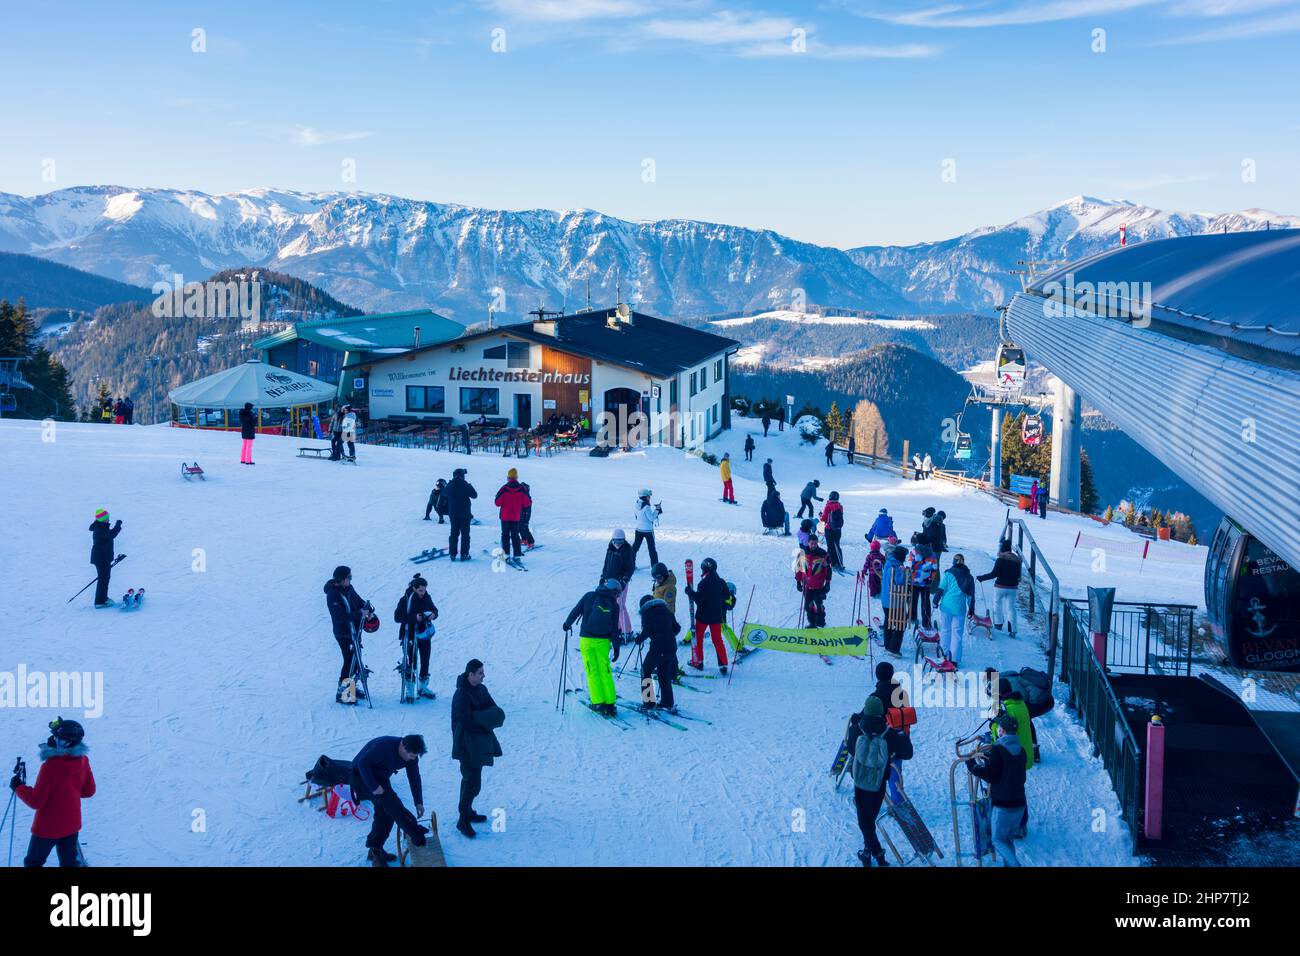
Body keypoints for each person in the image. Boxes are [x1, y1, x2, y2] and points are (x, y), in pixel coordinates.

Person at [12, 717, 95, 867]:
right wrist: (70, 791)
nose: (56, 741)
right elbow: (88, 791)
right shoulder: (83, 760)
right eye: (56, 737)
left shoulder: (49, 768)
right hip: (71, 825)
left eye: (61, 740)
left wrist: (18, 787)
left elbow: (36, 801)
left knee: (33, 862)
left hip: (47, 829)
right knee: (69, 863)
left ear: (70, 743)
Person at [847, 696, 913, 867]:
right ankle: (874, 854)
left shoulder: (856, 729)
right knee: (869, 820)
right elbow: (907, 753)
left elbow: (849, 748)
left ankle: (876, 855)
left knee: (865, 822)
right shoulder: (889, 734)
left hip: (860, 782)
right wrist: (902, 735)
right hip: (879, 784)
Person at [350, 734, 429, 865]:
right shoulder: (384, 747)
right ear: (403, 747)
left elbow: (414, 777)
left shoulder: (411, 755)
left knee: (386, 812)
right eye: (412, 755)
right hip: (361, 776)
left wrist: (418, 802)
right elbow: (362, 763)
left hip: (380, 776)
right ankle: (413, 834)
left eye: (416, 756)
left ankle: (375, 849)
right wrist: (373, 786)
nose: (414, 759)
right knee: (393, 807)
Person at [451, 659, 504, 838]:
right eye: (480, 673)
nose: (484, 675)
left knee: (474, 782)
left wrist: (481, 717)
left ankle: (467, 811)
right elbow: (467, 722)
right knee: (470, 781)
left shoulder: (482, 689)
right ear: (470, 674)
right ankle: (463, 819)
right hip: (466, 746)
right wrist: (485, 722)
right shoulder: (461, 695)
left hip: (479, 744)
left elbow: (495, 711)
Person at [968, 714, 1027, 866]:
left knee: (997, 840)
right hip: (1020, 804)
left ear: (1002, 730)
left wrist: (973, 767)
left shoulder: (998, 749)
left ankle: (1015, 864)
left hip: (1003, 805)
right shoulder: (1021, 751)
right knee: (1007, 839)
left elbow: (990, 776)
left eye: (999, 728)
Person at [563, 580, 624, 717]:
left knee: (592, 671)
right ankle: (610, 704)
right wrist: (616, 647)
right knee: (605, 671)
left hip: (587, 640)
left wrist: (567, 624)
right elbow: (615, 628)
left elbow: (575, 611)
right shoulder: (614, 605)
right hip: (603, 642)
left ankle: (598, 702)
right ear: (615, 592)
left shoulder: (590, 596)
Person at [324, 565, 374, 702]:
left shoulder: (349, 588)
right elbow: (339, 617)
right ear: (341, 579)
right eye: (349, 578)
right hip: (344, 633)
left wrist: (368, 610)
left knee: (356, 660)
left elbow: (358, 601)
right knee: (349, 661)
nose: (351, 580)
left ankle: (351, 687)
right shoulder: (332, 594)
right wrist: (359, 614)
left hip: (355, 631)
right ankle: (343, 693)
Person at [684, 557, 734, 675]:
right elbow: (727, 596)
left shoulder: (703, 583)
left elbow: (699, 600)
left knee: (699, 638)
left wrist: (690, 592)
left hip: (703, 616)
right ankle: (723, 665)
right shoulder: (721, 582)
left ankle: (699, 662)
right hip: (716, 616)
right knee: (717, 640)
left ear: (706, 569)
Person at [394, 574, 438, 700]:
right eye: (420, 590)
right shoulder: (405, 599)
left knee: (425, 661)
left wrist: (433, 614)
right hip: (410, 635)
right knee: (410, 662)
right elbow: (397, 617)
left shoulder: (426, 597)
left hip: (424, 634)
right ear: (414, 588)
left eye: (424, 590)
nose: (423, 593)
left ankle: (422, 687)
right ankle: (409, 690)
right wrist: (414, 618)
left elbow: (435, 609)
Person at [636, 593, 681, 711]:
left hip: (658, 648)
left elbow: (647, 630)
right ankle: (667, 702)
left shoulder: (647, 613)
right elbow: (677, 628)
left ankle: (648, 703)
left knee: (645, 670)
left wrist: (639, 639)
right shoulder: (666, 610)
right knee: (663, 673)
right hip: (671, 647)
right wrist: (668, 635)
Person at [933, 554, 975, 665]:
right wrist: (971, 610)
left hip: (946, 606)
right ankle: (954, 659)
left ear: (954, 561)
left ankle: (943, 654)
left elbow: (941, 589)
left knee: (945, 630)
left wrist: (935, 601)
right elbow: (971, 596)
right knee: (957, 633)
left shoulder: (948, 574)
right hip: (959, 608)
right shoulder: (969, 577)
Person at [977, 543, 1023, 637]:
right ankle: (1013, 630)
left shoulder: (1000, 560)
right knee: (1011, 608)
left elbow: (994, 574)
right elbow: (1019, 577)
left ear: (1002, 549)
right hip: (1013, 588)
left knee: (997, 604)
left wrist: (982, 578)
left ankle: (998, 625)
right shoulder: (1017, 561)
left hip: (1000, 587)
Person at [601, 529, 637, 635]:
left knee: (620, 605)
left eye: (621, 542)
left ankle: (627, 631)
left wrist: (624, 580)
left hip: (620, 583)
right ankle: (617, 628)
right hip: (609, 582)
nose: (619, 544)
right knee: (612, 605)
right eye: (617, 542)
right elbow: (606, 563)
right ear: (613, 540)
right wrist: (603, 577)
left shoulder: (627, 550)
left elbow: (630, 567)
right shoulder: (610, 548)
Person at [494, 468, 531, 560]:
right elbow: (527, 503)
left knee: (505, 535)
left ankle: (506, 555)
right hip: (516, 517)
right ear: (517, 477)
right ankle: (517, 555)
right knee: (515, 535)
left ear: (508, 477)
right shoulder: (521, 489)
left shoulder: (504, 488)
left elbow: (497, 502)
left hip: (505, 517)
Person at [88, 509, 122, 608]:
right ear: (102, 519)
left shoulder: (101, 527)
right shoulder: (100, 529)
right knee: (103, 579)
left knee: (104, 579)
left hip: (102, 558)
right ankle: (100, 601)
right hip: (101, 558)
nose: (108, 520)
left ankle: (102, 599)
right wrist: (118, 525)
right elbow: (112, 534)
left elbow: (109, 535)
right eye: (107, 518)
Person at [796, 535, 831, 628]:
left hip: (818, 585)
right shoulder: (802, 553)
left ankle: (820, 622)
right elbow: (799, 568)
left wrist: (827, 583)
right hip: (806, 585)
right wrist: (798, 581)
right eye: (812, 543)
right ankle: (812, 623)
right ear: (808, 543)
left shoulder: (823, 554)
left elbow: (828, 569)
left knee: (818, 604)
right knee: (808, 605)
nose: (814, 545)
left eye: (815, 543)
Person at [879, 546, 909, 655]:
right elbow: (899, 581)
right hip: (895, 602)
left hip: (886, 600)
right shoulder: (897, 566)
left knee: (889, 621)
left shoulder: (888, 562)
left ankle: (888, 644)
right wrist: (904, 573)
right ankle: (894, 648)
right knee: (901, 623)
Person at [446, 468, 478, 561]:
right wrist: (469, 485)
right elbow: (474, 495)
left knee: (453, 534)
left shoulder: (451, 484)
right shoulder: (465, 484)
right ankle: (464, 554)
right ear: (462, 476)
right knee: (465, 535)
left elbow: (444, 493)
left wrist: (450, 484)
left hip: (453, 514)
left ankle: (452, 554)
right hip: (465, 514)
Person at [907, 535, 938, 630]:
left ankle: (912, 618)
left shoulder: (913, 552)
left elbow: (909, 566)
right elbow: (935, 568)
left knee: (913, 600)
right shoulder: (932, 554)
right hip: (926, 582)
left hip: (914, 582)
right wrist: (930, 579)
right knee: (925, 602)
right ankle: (926, 622)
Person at [632, 489, 661, 566]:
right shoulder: (646, 507)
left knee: (635, 548)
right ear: (645, 497)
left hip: (638, 529)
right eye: (649, 496)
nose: (650, 498)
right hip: (648, 530)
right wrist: (657, 509)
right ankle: (655, 567)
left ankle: (630, 564)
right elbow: (651, 518)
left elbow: (636, 516)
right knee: (652, 549)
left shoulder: (636, 503)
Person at [820, 491, 845, 570]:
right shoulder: (840, 506)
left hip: (829, 529)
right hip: (838, 529)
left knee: (830, 546)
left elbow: (823, 519)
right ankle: (840, 563)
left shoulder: (828, 506)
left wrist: (821, 515)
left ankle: (832, 563)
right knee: (837, 545)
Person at [517, 474, 536, 549]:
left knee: (524, 526)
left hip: (525, 514)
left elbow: (527, 507)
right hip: (521, 513)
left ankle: (531, 542)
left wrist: (525, 516)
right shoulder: (522, 494)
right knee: (519, 526)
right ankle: (524, 539)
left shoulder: (526, 496)